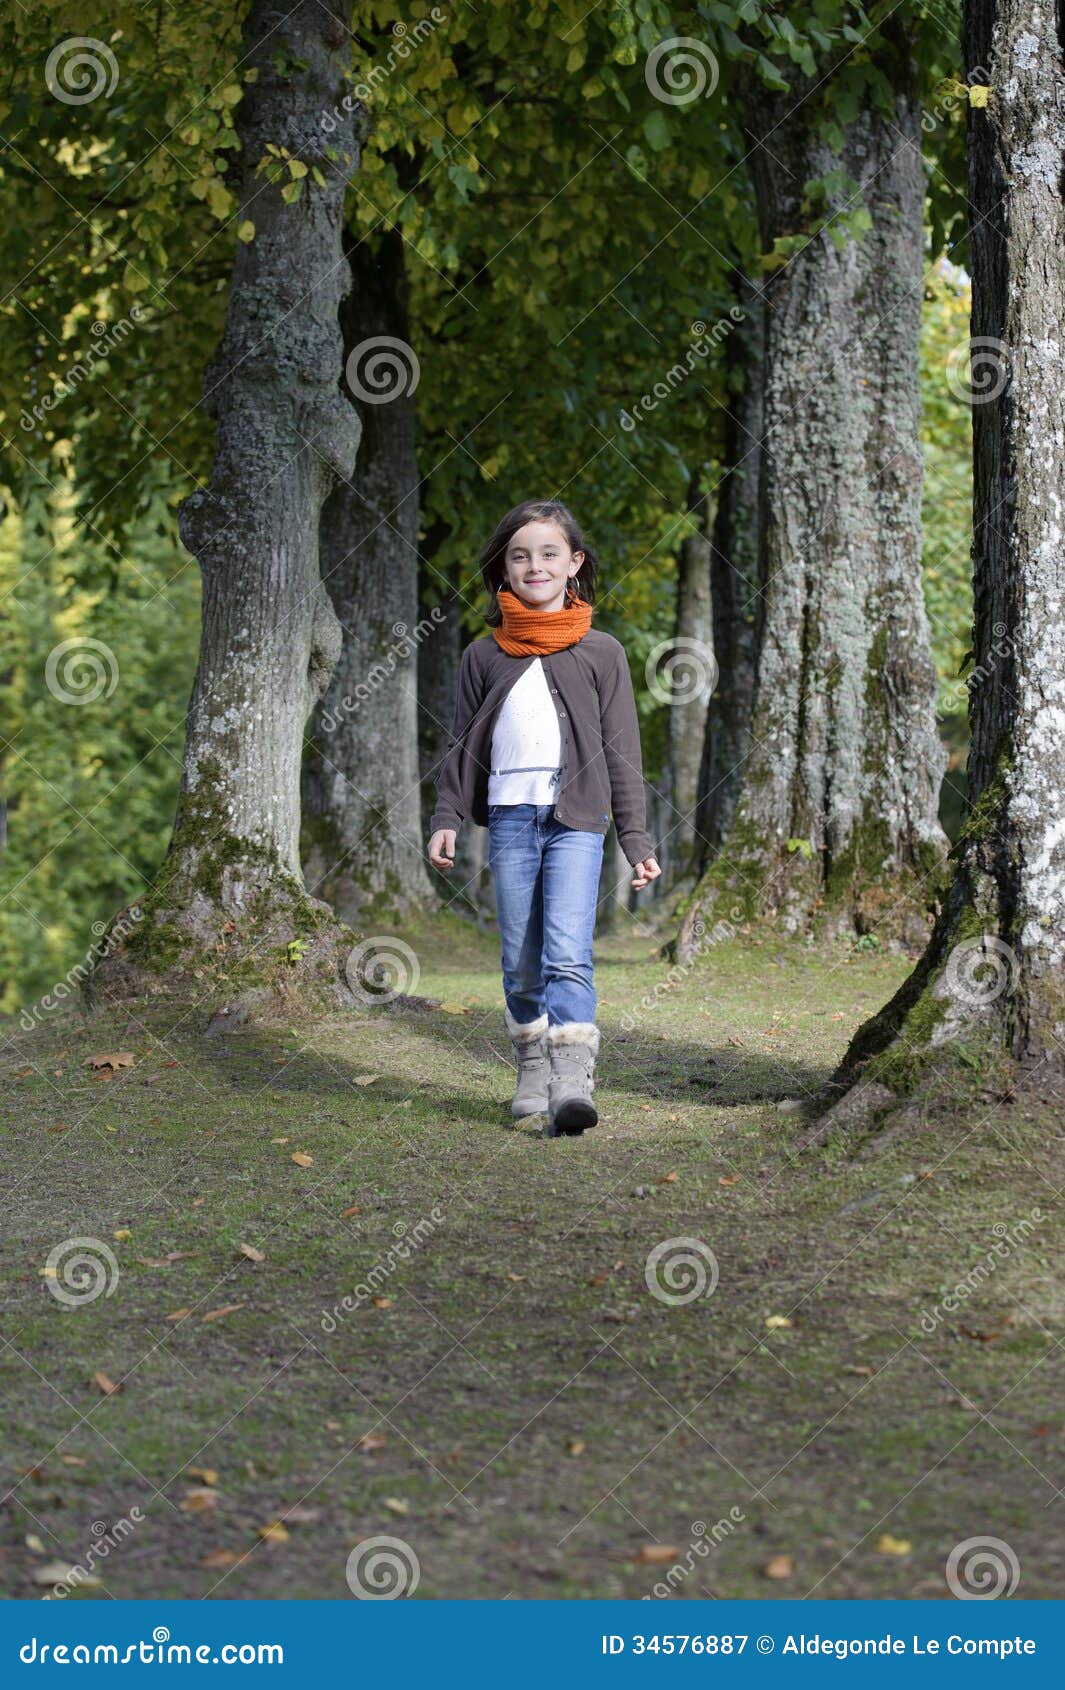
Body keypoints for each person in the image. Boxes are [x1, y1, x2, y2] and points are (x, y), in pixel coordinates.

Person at [427, 499, 662, 1137]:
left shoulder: (602, 653)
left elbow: (623, 750)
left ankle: (571, 1084)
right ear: (504, 567)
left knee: (567, 952)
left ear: (574, 564)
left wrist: (635, 838)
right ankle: (531, 1067)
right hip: (509, 821)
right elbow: (460, 743)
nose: (536, 564)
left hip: (578, 822)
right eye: (521, 554)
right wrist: (447, 812)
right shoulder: (483, 656)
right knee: (520, 959)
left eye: (550, 553)